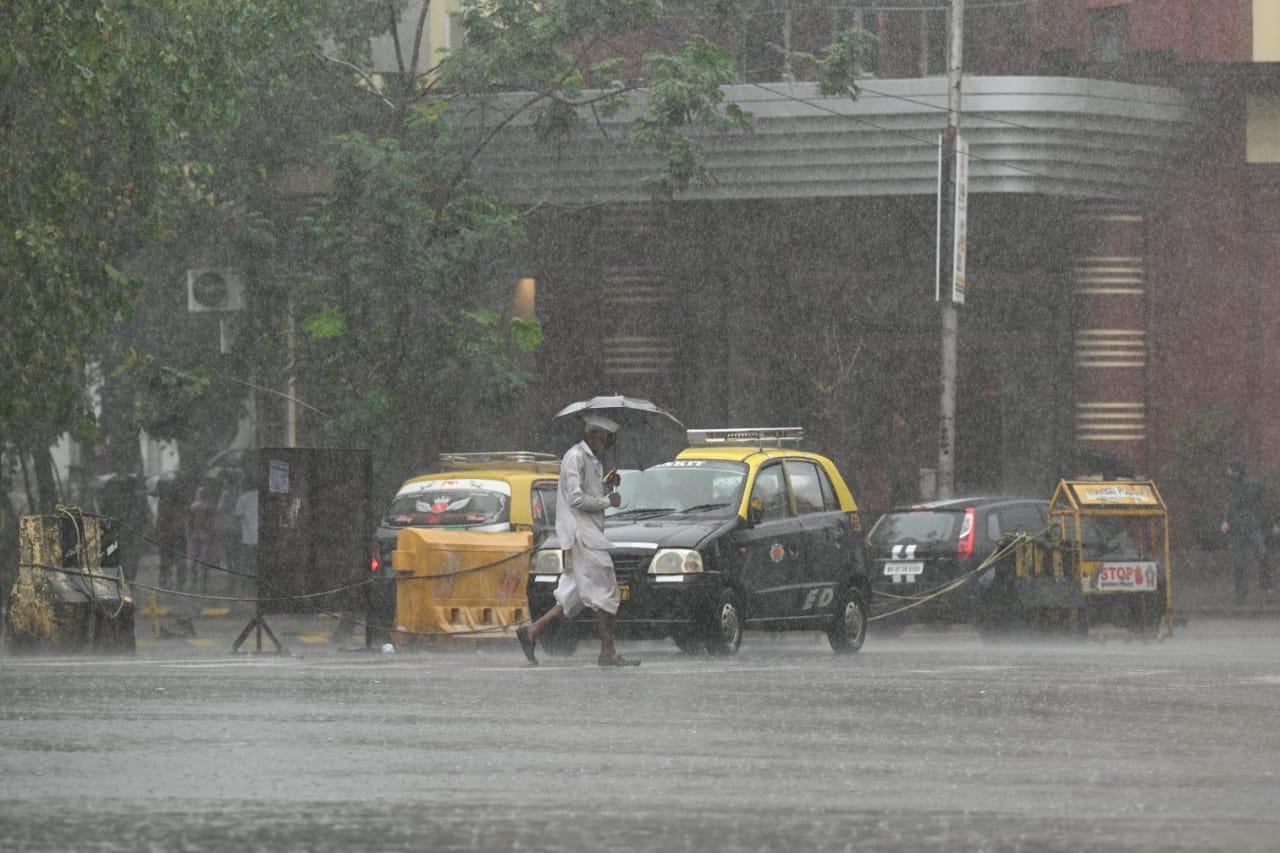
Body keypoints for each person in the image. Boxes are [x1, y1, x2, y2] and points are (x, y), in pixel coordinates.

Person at [516, 414, 638, 667]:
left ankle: (532, 632)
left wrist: (608, 487)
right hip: (581, 533)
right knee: (607, 589)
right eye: (603, 438)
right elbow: (576, 499)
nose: (605, 444)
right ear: (592, 435)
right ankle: (607, 651)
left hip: (590, 530)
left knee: (572, 596)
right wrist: (607, 501)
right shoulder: (575, 458)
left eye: (607, 440)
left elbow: (591, 493)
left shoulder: (594, 461)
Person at [1219, 456, 1275, 604]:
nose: (1227, 471)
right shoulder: (1232, 485)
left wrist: (1272, 523)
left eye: (1230, 469)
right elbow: (1228, 504)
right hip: (1241, 527)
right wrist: (1224, 520)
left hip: (1250, 526)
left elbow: (1264, 504)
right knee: (1241, 559)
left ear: (1236, 471)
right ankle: (1244, 591)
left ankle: (1264, 586)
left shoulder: (1253, 484)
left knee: (1260, 554)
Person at [233, 484, 259, 598]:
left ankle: (244, 591)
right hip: (260, 536)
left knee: (246, 565)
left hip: (248, 537)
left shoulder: (243, 497)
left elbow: (237, 515)